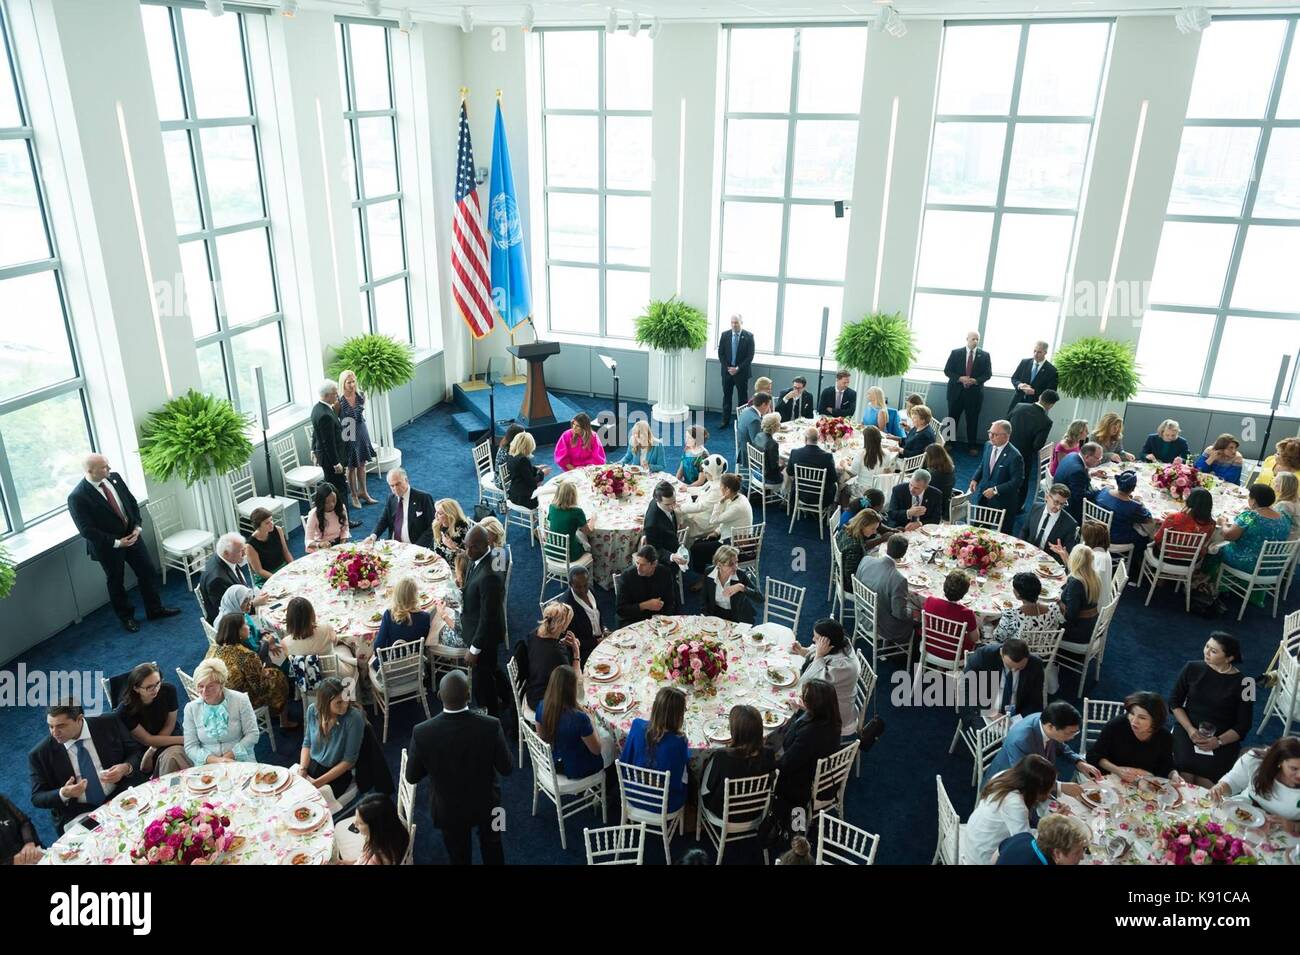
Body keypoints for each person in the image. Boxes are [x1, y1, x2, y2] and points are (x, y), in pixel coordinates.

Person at [406, 671, 513, 865]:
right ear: (468, 694)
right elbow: (507, 769)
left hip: (449, 811)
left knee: (458, 857)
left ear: (439, 696)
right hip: (491, 806)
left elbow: (412, 776)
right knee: (495, 847)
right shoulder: (492, 725)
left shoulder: (422, 733)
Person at [67, 453, 180, 632]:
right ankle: (126, 618)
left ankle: (155, 610)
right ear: (90, 471)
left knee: (148, 572)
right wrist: (118, 543)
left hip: (132, 536)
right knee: (116, 582)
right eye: (104, 467)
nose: (109, 469)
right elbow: (86, 530)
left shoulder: (115, 478)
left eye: (108, 464)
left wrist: (137, 527)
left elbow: (131, 503)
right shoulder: (77, 497)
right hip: (109, 547)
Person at [29, 701, 144, 833]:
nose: (54, 733)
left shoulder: (109, 722)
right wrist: (64, 793)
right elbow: (37, 797)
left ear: (79, 719)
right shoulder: (40, 754)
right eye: (50, 726)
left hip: (119, 793)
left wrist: (125, 767)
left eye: (61, 726)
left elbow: (136, 751)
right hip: (80, 812)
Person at [1169, 633, 1253, 787]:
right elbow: (1174, 703)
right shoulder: (1191, 667)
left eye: (1213, 651)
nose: (1206, 652)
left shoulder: (1248, 684)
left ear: (1229, 658)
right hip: (1189, 727)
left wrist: (1218, 741)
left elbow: (1244, 725)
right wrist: (1190, 730)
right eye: (1207, 646)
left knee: (1206, 781)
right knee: (1184, 775)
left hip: (1223, 737)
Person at [963, 754, 1058, 865]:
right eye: (1048, 789)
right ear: (1035, 788)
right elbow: (1026, 845)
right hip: (983, 856)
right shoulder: (1015, 804)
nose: (1050, 792)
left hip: (975, 839)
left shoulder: (1004, 776)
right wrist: (1052, 823)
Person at [772, 679, 843, 824]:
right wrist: (800, 712)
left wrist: (765, 761)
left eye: (804, 698)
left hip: (801, 782)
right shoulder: (833, 719)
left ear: (814, 706)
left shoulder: (809, 734)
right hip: (824, 771)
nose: (801, 698)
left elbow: (786, 765)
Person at [208, 613, 295, 728]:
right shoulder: (247, 656)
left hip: (215, 697)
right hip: (237, 702)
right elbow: (260, 687)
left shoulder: (214, 646)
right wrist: (267, 672)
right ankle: (283, 719)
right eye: (245, 625)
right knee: (279, 676)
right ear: (238, 632)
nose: (248, 627)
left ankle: (275, 710)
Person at [983, 701, 1101, 786]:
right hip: (1008, 783)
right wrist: (1059, 788)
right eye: (1069, 733)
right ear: (1050, 726)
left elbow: (1060, 745)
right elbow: (1026, 778)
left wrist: (1078, 761)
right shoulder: (1021, 740)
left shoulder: (1046, 721)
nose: (1071, 738)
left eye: (1075, 733)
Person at [460, 525, 510, 718]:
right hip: (482, 625)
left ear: (485, 544)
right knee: (492, 667)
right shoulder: (493, 554)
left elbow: (487, 617)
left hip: (483, 635)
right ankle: (508, 696)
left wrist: (474, 649)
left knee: (483, 679)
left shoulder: (489, 576)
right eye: (466, 546)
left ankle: (490, 713)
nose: (468, 551)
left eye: (472, 547)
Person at [535, 666, 616, 780]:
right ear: (571, 689)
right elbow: (596, 750)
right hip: (577, 768)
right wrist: (592, 721)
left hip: (553, 759)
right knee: (611, 741)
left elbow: (542, 736)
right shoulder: (580, 719)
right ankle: (611, 781)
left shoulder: (542, 705)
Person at [620, 686, 690, 813]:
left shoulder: (637, 726)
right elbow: (676, 780)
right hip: (665, 804)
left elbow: (624, 760)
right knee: (691, 777)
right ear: (678, 715)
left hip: (633, 793)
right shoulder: (679, 742)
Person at [1210, 737, 1300, 834]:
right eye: (1294, 768)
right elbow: (1234, 781)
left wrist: (1294, 825)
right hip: (1241, 813)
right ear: (1280, 762)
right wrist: (1220, 788)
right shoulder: (1256, 761)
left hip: (1281, 831)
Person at [181, 658, 260, 766]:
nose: (204, 691)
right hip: (208, 764)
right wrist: (215, 760)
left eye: (210, 686)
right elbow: (190, 747)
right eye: (200, 686)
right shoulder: (190, 709)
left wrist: (229, 756)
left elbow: (252, 734)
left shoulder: (240, 700)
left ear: (221, 684)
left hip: (239, 758)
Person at [701, 705, 776, 818]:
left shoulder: (723, 756)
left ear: (735, 731)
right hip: (756, 811)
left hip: (724, 813)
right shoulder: (769, 754)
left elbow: (710, 786)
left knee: (701, 772)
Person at [116, 662, 189, 777]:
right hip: (143, 746)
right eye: (149, 687)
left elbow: (170, 724)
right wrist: (186, 739)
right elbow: (147, 739)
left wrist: (152, 750)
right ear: (136, 688)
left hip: (171, 735)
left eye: (158, 683)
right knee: (173, 759)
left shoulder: (168, 690)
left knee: (175, 757)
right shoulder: (124, 711)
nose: (155, 689)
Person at [298, 678, 365, 801]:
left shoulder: (354, 719)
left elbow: (348, 761)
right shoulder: (312, 710)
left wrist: (316, 784)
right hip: (313, 765)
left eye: (345, 699)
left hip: (337, 774)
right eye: (338, 702)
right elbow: (307, 743)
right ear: (324, 703)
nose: (345, 705)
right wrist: (303, 769)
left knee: (310, 805)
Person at [790, 619, 861, 733]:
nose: (813, 640)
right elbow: (821, 655)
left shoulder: (844, 666)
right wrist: (801, 650)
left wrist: (818, 655)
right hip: (830, 698)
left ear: (828, 642)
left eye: (817, 638)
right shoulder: (839, 643)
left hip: (836, 713)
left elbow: (813, 681)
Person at [1089, 691, 1177, 782]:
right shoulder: (1116, 725)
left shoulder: (1165, 737)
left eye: (1142, 718)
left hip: (1143, 783)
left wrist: (1174, 774)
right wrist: (1118, 770)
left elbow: (1166, 765)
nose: (1134, 721)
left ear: (1155, 721)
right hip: (1111, 777)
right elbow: (1094, 755)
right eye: (1132, 713)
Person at [1211, 482, 1292, 575]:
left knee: (1214, 548)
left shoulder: (1250, 516)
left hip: (1248, 564)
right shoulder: (1284, 518)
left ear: (1253, 501)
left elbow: (1228, 535)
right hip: (1273, 566)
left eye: (1249, 497)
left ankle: (1207, 581)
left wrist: (1223, 523)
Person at [854, 536, 917, 651]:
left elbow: (858, 584)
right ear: (903, 555)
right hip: (882, 625)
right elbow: (899, 614)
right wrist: (912, 612)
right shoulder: (899, 580)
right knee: (914, 615)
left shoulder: (866, 560)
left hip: (862, 611)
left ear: (887, 547)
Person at [962, 637, 1045, 720]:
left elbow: (1036, 701)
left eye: (1020, 668)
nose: (1014, 670)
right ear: (1001, 653)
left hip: (1017, 714)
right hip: (984, 710)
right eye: (1009, 666)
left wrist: (1019, 719)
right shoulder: (984, 656)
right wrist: (989, 712)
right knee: (986, 732)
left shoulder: (1035, 664)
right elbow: (965, 689)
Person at [281, 596, 359, 681]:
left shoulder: (285, 643)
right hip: (335, 676)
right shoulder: (326, 628)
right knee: (345, 647)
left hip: (309, 681)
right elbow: (335, 643)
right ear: (311, 613)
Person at [688, 472, 754, 572]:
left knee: (695, 549)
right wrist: (716, 532)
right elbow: (726, 521)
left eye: (721, 486)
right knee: (699, 542)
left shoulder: (736, 507)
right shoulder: (740, 497)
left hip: (734, 545)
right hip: (732, 536)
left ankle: (708, 575)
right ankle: (713, 570)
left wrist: (720, 502)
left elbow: (713, 520)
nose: (720, 489)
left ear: (727, 489)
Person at [524, 603, 581, 710]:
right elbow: (574, 679)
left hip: (533, 687)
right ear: (563, 626)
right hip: (546, 702)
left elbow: (544, 651)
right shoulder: (557, 655)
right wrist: (576, 653)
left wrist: (560, 642)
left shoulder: (534, 634)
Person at [969, 419, 1023, 532]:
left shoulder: (1015, 456)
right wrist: (975, 478)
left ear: (1006, 436)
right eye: (990, 432)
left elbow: (1017, 482)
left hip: (1003, 501)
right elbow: (983, 464)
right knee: (979, 531)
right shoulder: (988, 445)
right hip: (984, 496)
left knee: (1003, 535)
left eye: (995, 434)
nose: (991, 436)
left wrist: (995, 490)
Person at [370, 576, 432, 673]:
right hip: (415, 667)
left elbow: (378, 647)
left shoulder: (389, 615)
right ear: (415, 595)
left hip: (391, 670)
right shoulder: (425, 617)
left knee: (371, 661)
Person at [943, 330, 992, 453]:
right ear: (967, 339)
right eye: (973, 339)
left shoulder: (985, 355)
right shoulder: (956, 353)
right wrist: (960, 378)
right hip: (956, 393)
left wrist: (975, 381)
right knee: (952, 419)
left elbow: (988, 374)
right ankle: (948, 442)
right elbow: (947, 371)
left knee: (972, 420)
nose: (975, 341)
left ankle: (972, 445)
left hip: (974, 394)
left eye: (977, 339)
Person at [1094, 470, 1155, 567]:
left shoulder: (1104, 492)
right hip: (1114, 537)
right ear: (1133, 488)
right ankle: (1136, 565)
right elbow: (1148, 519)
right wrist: (1139, 502)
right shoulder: (1133, 506)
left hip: (1096, 529)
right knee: (1144, 536)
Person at [1009, 389, 1058, 511]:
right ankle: (1018, 507)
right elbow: (1037, 445)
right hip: (1024, 455)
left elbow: (1006, 422)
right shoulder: (1046, 421)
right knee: (1022, 481)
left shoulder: (1019, 406)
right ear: (1051, 405)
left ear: (1040, 396)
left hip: (1007, 447)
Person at [312, 380, 354, 519]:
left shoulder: (317, 409)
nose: (337, 395)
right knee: (340, 489)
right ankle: (344, 519)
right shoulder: (325, 415)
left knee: (336, 488)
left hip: (326, 458)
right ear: (327, 395)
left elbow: (316, 435)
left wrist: (313, 449)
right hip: (332, 461)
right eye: (335, 393)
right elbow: (328, 442)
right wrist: (337, 463)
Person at [337, 369, 378, 508]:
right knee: (351, 466)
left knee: (362, 463)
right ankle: (354, 495)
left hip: (361, 430)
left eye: (353, 381)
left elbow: (359, 414)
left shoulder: (361, 395)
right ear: (343, 383)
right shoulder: (339, 401)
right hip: (348, 432)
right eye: (349, 382)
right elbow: (337, 420)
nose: (352, 384)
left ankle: (364, 492)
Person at [199, 532, 259, 623]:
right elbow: (229, 612)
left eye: (244, 549)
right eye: (240, 551)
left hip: (243, 602)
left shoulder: (225, 557)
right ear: (226, 553)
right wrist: (255, 603)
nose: (244, 554)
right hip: (230, 623)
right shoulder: (217, 580)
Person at [368, 467, 436, 548]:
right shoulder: (391, 498)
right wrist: (373, 536)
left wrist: (415, 548)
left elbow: (433, 527)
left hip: (414, 546)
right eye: (392, 486)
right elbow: (384, 520)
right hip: (393, 546)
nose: (395, 489)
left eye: (398, 484)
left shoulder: (424, 498)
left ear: (406, 480)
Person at [994, 811, 1090, 866]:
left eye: (1082, 849)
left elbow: (996, 854)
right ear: (1057, 854)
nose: (1082, 856)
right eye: (1077, 852)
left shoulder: (1024, 837)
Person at [920, 571, 979, 661]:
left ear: (944, 586)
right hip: (953, 655)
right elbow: (975, 638)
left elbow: (924, 623)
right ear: (965, 593)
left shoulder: (930, 601)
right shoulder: (967, 613)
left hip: (929, 646)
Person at [991, 572, 1065, 643]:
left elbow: (998, 637)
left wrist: (998, 621)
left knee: (988, 628)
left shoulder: (1012, 615)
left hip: (1018, 654)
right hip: (1043, 652)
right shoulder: (1054, 609)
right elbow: (1062, 619)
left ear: (1018, 594)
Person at [616, 545, 680, 627]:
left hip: (658, 618)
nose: (638, 568)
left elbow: (671, 602)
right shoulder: (627, 576)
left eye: (643, 565)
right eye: (637, 563)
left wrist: (666, 619)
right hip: (633, 619)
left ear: (654, 564)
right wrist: (644, 605)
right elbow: (621, 610)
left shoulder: (665, 573)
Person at [1058, 543, 1102, 658]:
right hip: (1091, 628)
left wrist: (1060, 605)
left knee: (1043, 623)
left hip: (1078, 633)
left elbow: (1070, 616)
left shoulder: (1076, 583)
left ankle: (1048, 661)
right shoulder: (1094, 576)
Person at [1151, 485, 1216, 561]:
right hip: (1190, 560)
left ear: (1190, 501)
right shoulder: (1211, 524)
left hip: (1165, 556)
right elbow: (1202, 544)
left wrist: (1168, 521)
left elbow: (1157, 538)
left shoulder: (1173, 518)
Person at [701, 544, 761, 625]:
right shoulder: (709, 572)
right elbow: (703, 598)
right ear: (719, 565)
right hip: (716, 614)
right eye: (730, 564)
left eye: (736, 562)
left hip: (738, 617)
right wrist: (706, 616)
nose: (735, 567)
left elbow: (760, 598)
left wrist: (742, 587)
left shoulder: (740, 575)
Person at [1020, 484, 1079, 565]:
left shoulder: (1070, 524)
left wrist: (1043, 562)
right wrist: (1021, 549)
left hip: (1046, 564)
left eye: (1062, 504)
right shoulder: (1035, 507)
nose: (1058, 507)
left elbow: (1066, 552)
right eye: (1056, 502)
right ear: (1047, 497)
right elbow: (1025, 530)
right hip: (1026, 554)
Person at [560, 565, 606, 664]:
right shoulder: (566, 607)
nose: (583, 590)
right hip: (582, 651)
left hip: (599, 638)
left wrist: (603, 630)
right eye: (578, 587)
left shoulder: (591, 590)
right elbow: (570, 642)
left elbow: (596, 615)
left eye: (585, 585)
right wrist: (596, 642)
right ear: (570, 584)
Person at [349, 793, 409, 865]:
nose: (354, 824)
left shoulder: (377, 859)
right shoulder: (393, 831)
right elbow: (363, 859)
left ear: (376, 828)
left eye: (360, 823)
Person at [718, 313, 755, 427]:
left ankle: (742, 422)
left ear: (741, 323)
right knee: (727, 397)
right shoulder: (725, 335)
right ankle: (725, 420)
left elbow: (750, 356)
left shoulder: (749, 336)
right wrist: (728, 368)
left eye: (736, 323)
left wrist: (738, 368)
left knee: (743, 399)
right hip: (727, 372)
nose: (734, 325)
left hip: (741, 373)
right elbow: (721, 353)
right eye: (732, 322)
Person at [836, 507, 887, 590]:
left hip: (843, 571)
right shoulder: (855, 547)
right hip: (850, 584)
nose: (875, 532)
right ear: (862, 526)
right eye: (872, 528)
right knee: (885, 582)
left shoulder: (846, 528)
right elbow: (851, 578)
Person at [1054, 442, 1103, 527]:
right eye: (1098, 458)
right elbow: (1080, 496)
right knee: (1103, 506)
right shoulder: (1077, 471)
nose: (1100, 461)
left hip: (1059, 491)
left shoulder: (1073, 455)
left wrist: (1091, 474)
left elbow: (1073, 478)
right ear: (1087, 457)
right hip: (1068, 506)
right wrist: (1099, 491)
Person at [788, 425, 837, 511]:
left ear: (805, 438)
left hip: (799, 493)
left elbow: (789, 472)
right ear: (818, 438)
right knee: (835, 485)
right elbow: (833, 478)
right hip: (821, 497)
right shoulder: (827, 457)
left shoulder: (795, 453)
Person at [545, 480, 592, 561]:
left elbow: (553, 521)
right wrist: (593, 518)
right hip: (569, 554)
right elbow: (588, 532)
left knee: (577, 534)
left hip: (550, 550)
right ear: (573, 495)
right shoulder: (577, 512)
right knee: (586, 542)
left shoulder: (551, 507)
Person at [845, 425, 897, 496]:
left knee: (843, 488)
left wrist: (844, 465)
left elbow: (853, 472)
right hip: (878, 489)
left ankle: (845, 507)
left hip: (863, 490)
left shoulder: (861, 454)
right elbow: (886, 470)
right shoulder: (887, 453)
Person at [1007, 341, 1058, 413]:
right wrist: (1020, 385)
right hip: (1018, 401)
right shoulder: (1024, 362)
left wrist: (1034, 392)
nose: (1035, 354)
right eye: (1034, 351)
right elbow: (1014, 378)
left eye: (1039, 352)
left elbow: (1051, 391)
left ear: (1045, 353)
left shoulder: (1051, 370)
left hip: (1036, 405)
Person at [245, 507, 292, 584]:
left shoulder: (278, 530)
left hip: (283, 568)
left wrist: (293, 566)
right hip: (266, 576)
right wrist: (277, 578)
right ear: (258, 526)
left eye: (271, 520)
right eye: (267, 523)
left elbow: (286, 552)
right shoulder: (250, 546)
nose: (271, 524)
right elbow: (259, 571)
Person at [506, 431, 550, 509]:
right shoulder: (523, 460)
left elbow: (522, 471)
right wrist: (542, 473)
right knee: (548, 497)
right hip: (523, 498)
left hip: (513, 493)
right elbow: (532, 482)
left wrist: (537, 468)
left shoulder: (511, 455)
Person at [306, 482, 352, 551]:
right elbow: (308, 540)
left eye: (334, 500)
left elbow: (345, 529)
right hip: (322, 546)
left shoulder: (341, 507)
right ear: (321, 502)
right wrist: (320, 544)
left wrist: (342, 542)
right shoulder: (314, 514)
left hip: (339, 542)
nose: (331, 505)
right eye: (327, 502)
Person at [0, 793, 42, 865]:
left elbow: (24, 822)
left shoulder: (1, 800)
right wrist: (12, 861)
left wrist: (29, 842)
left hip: (30, 853)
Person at [924, 443, 956, 521]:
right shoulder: (951, 468)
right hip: (947, 502)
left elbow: (925, 490)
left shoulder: (933, 475)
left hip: (935, 505)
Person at [1082, 522, 1114, 600]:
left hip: (1094, 603)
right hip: (1094, 594)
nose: (1083, 539)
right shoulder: (1102, 550)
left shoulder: (1100, 558)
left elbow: (1092, 586)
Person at [754, 412, 785, 487]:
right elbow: (774, 469)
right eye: (778, 423)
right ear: (774, 427)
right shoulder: (773, 444)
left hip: (757, 470)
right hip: (767, 477)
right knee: (790, 473)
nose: (780, 425)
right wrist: (784, 465)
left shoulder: (758, 435)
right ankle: (785, 495)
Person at [494, 424, 525, 499]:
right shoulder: (509, 451)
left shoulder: (506, 444)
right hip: (504, 482)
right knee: (532, 483)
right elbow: (517, 471)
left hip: (502, 476)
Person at [1273, 472, 1300, 541]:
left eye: (1277, 482)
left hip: (1280, 543)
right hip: (1294, 542)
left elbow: (1274, 524)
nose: (1274, 484)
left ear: (1285, 485)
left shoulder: (1283, 504)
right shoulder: (1297, 500)